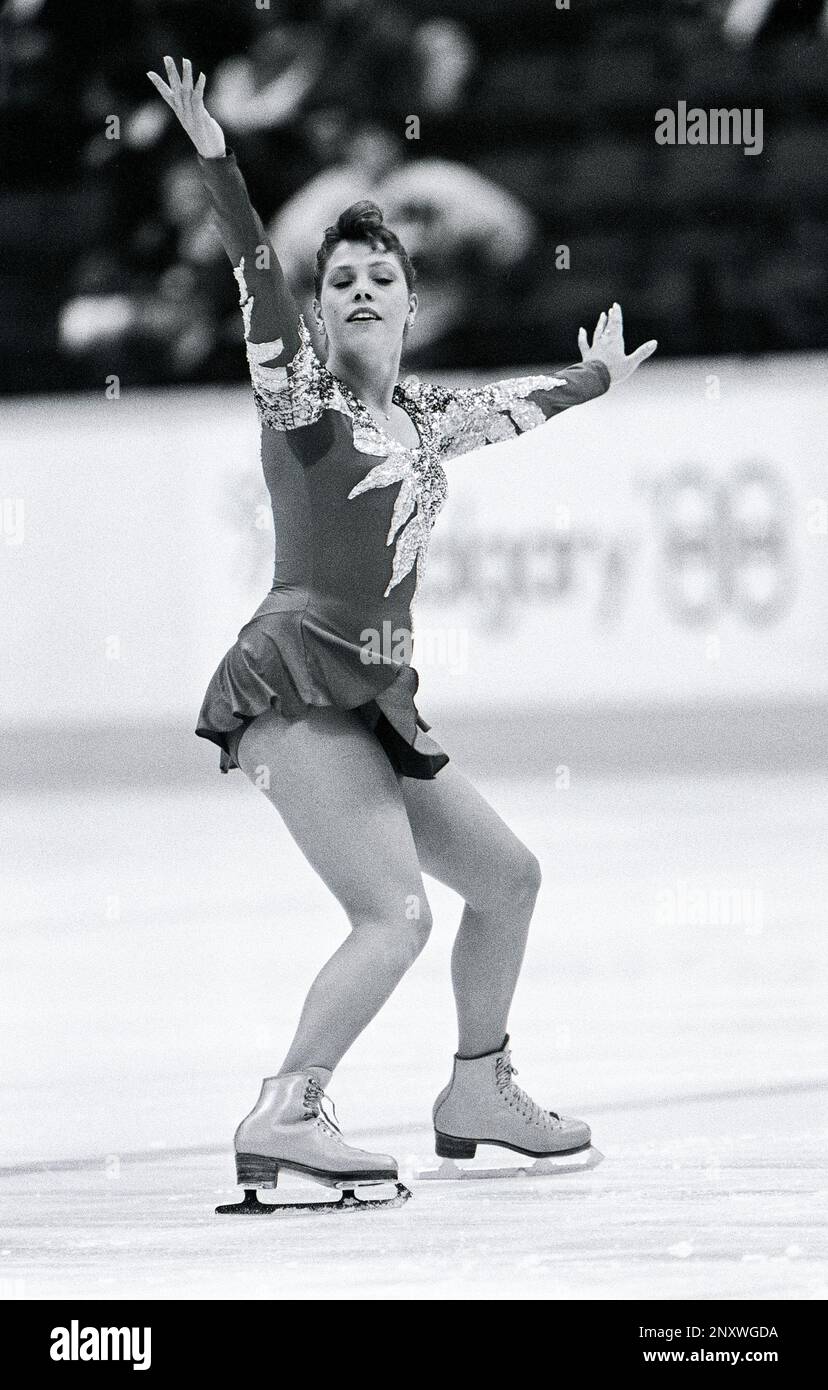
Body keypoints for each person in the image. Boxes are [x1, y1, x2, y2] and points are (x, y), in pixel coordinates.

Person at [147, 58, 657, 1209]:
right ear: (321, 308)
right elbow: (251, 268)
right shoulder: (301, 398)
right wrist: (223, 164)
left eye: (383, 276)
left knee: (509, 880)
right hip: (292, 685)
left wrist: (595, 380)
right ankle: (285, 1111)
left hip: (375, 693)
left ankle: (478, 1087)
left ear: (412, 305)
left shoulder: (421, 416)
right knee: (395, 915)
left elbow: (509, 409)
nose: (362, 290)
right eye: (343, 280)